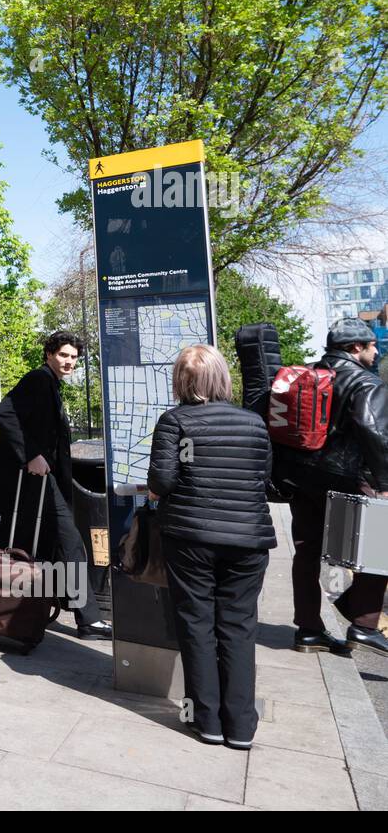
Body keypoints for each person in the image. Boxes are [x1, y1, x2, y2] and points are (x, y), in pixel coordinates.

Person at [147, 344, 276, 749]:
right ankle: (241, 728)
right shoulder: (254, 423)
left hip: (191, 539)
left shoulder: (175, 422)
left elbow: (162, 482)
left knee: (197, 625)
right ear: (222, 378)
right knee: (239, 628)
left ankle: (206, 721)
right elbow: (264, 479)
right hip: (248, 541)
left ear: (182, 381)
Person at [0, 330, 112, 639]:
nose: (69, 362)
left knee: (13, 543)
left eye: (74, 357)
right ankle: (88, 619)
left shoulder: (51, 384)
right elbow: (5, 413)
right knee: (70, 543)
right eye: (63, 355)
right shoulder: (38, 379)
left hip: (38, 485)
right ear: (50, 353)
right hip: (35, 482)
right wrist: (31, 456)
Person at [284, 317, 388, 657]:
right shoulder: (365, 382)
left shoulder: (312, 373)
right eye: (371, 345)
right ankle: (364, 625)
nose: (375, 351)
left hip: (305, 477)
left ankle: (309, 630)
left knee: (307, 552)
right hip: (349, 479)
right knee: (378, 550)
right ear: (355, 348)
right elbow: (374, 432)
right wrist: (385, 483)